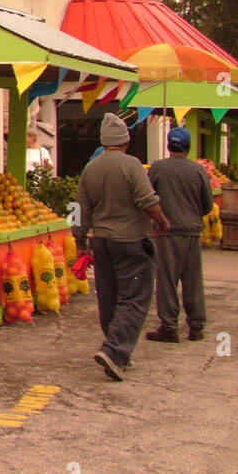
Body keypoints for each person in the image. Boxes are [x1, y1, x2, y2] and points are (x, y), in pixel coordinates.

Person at [73, 113, 171, 381]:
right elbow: (147, 200)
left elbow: (79, 210)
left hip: (102, 242)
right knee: (134, 298)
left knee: (109, 296)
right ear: (126, 141)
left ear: (104, 142)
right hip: (131, 241)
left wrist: (80, 242)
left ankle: (117, 353)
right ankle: (115, 351)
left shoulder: (90, 169)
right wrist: (162, 221)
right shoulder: (132, 165)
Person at [145, 127, 213, 342]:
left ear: (168, 146)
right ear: (189, 147)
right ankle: (196, 326)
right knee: (193, 280)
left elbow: (148, 197)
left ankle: (169, 326)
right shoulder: (199, 170)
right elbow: (207, 204)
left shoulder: (157, 168)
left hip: (166, 232)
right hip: (192, 231)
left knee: (167, 280)